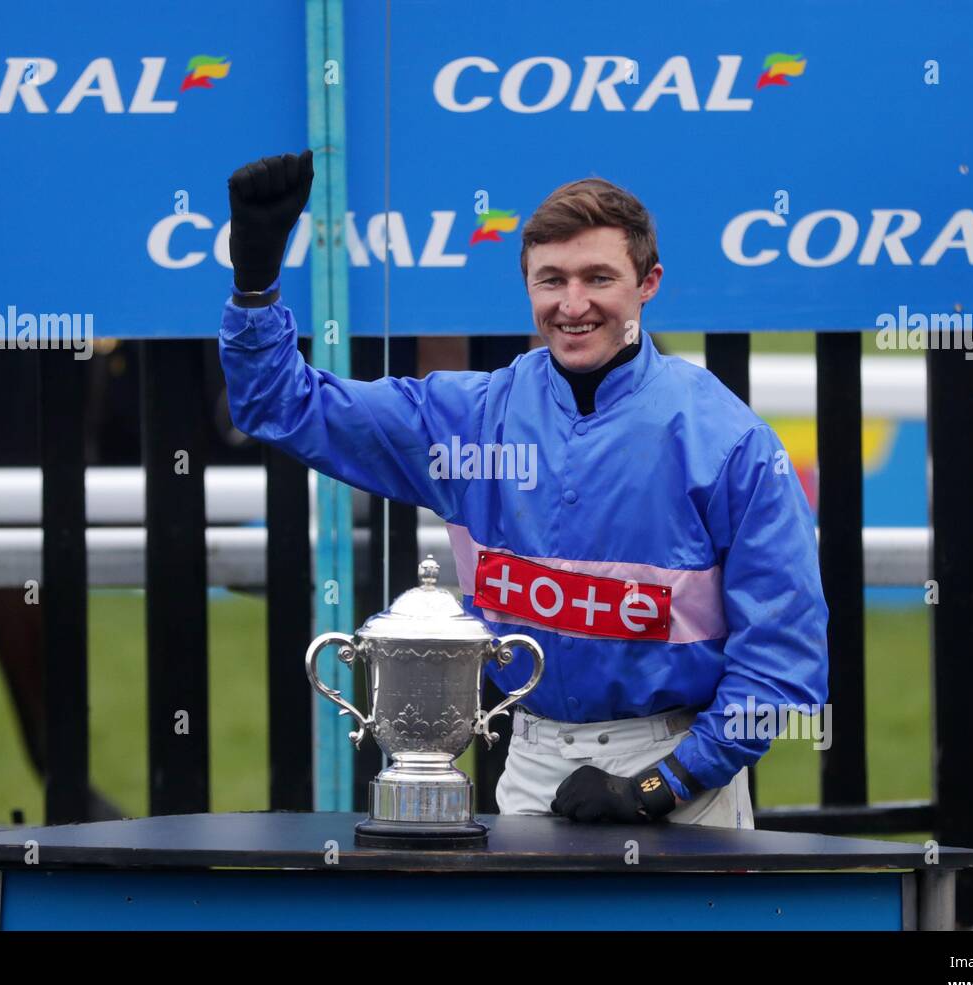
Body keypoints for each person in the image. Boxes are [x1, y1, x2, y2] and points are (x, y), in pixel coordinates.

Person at [218, 150, 829, 828]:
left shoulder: (730, 439)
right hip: (531, 762)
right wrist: (255, 283)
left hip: (682, 777)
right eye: (552, 280)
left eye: (599, 278)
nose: (574, 305)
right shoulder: (468, 419)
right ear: (527, 286)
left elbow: (782, 662)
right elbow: (283, 405)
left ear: (648, 283)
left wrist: (661, 786)